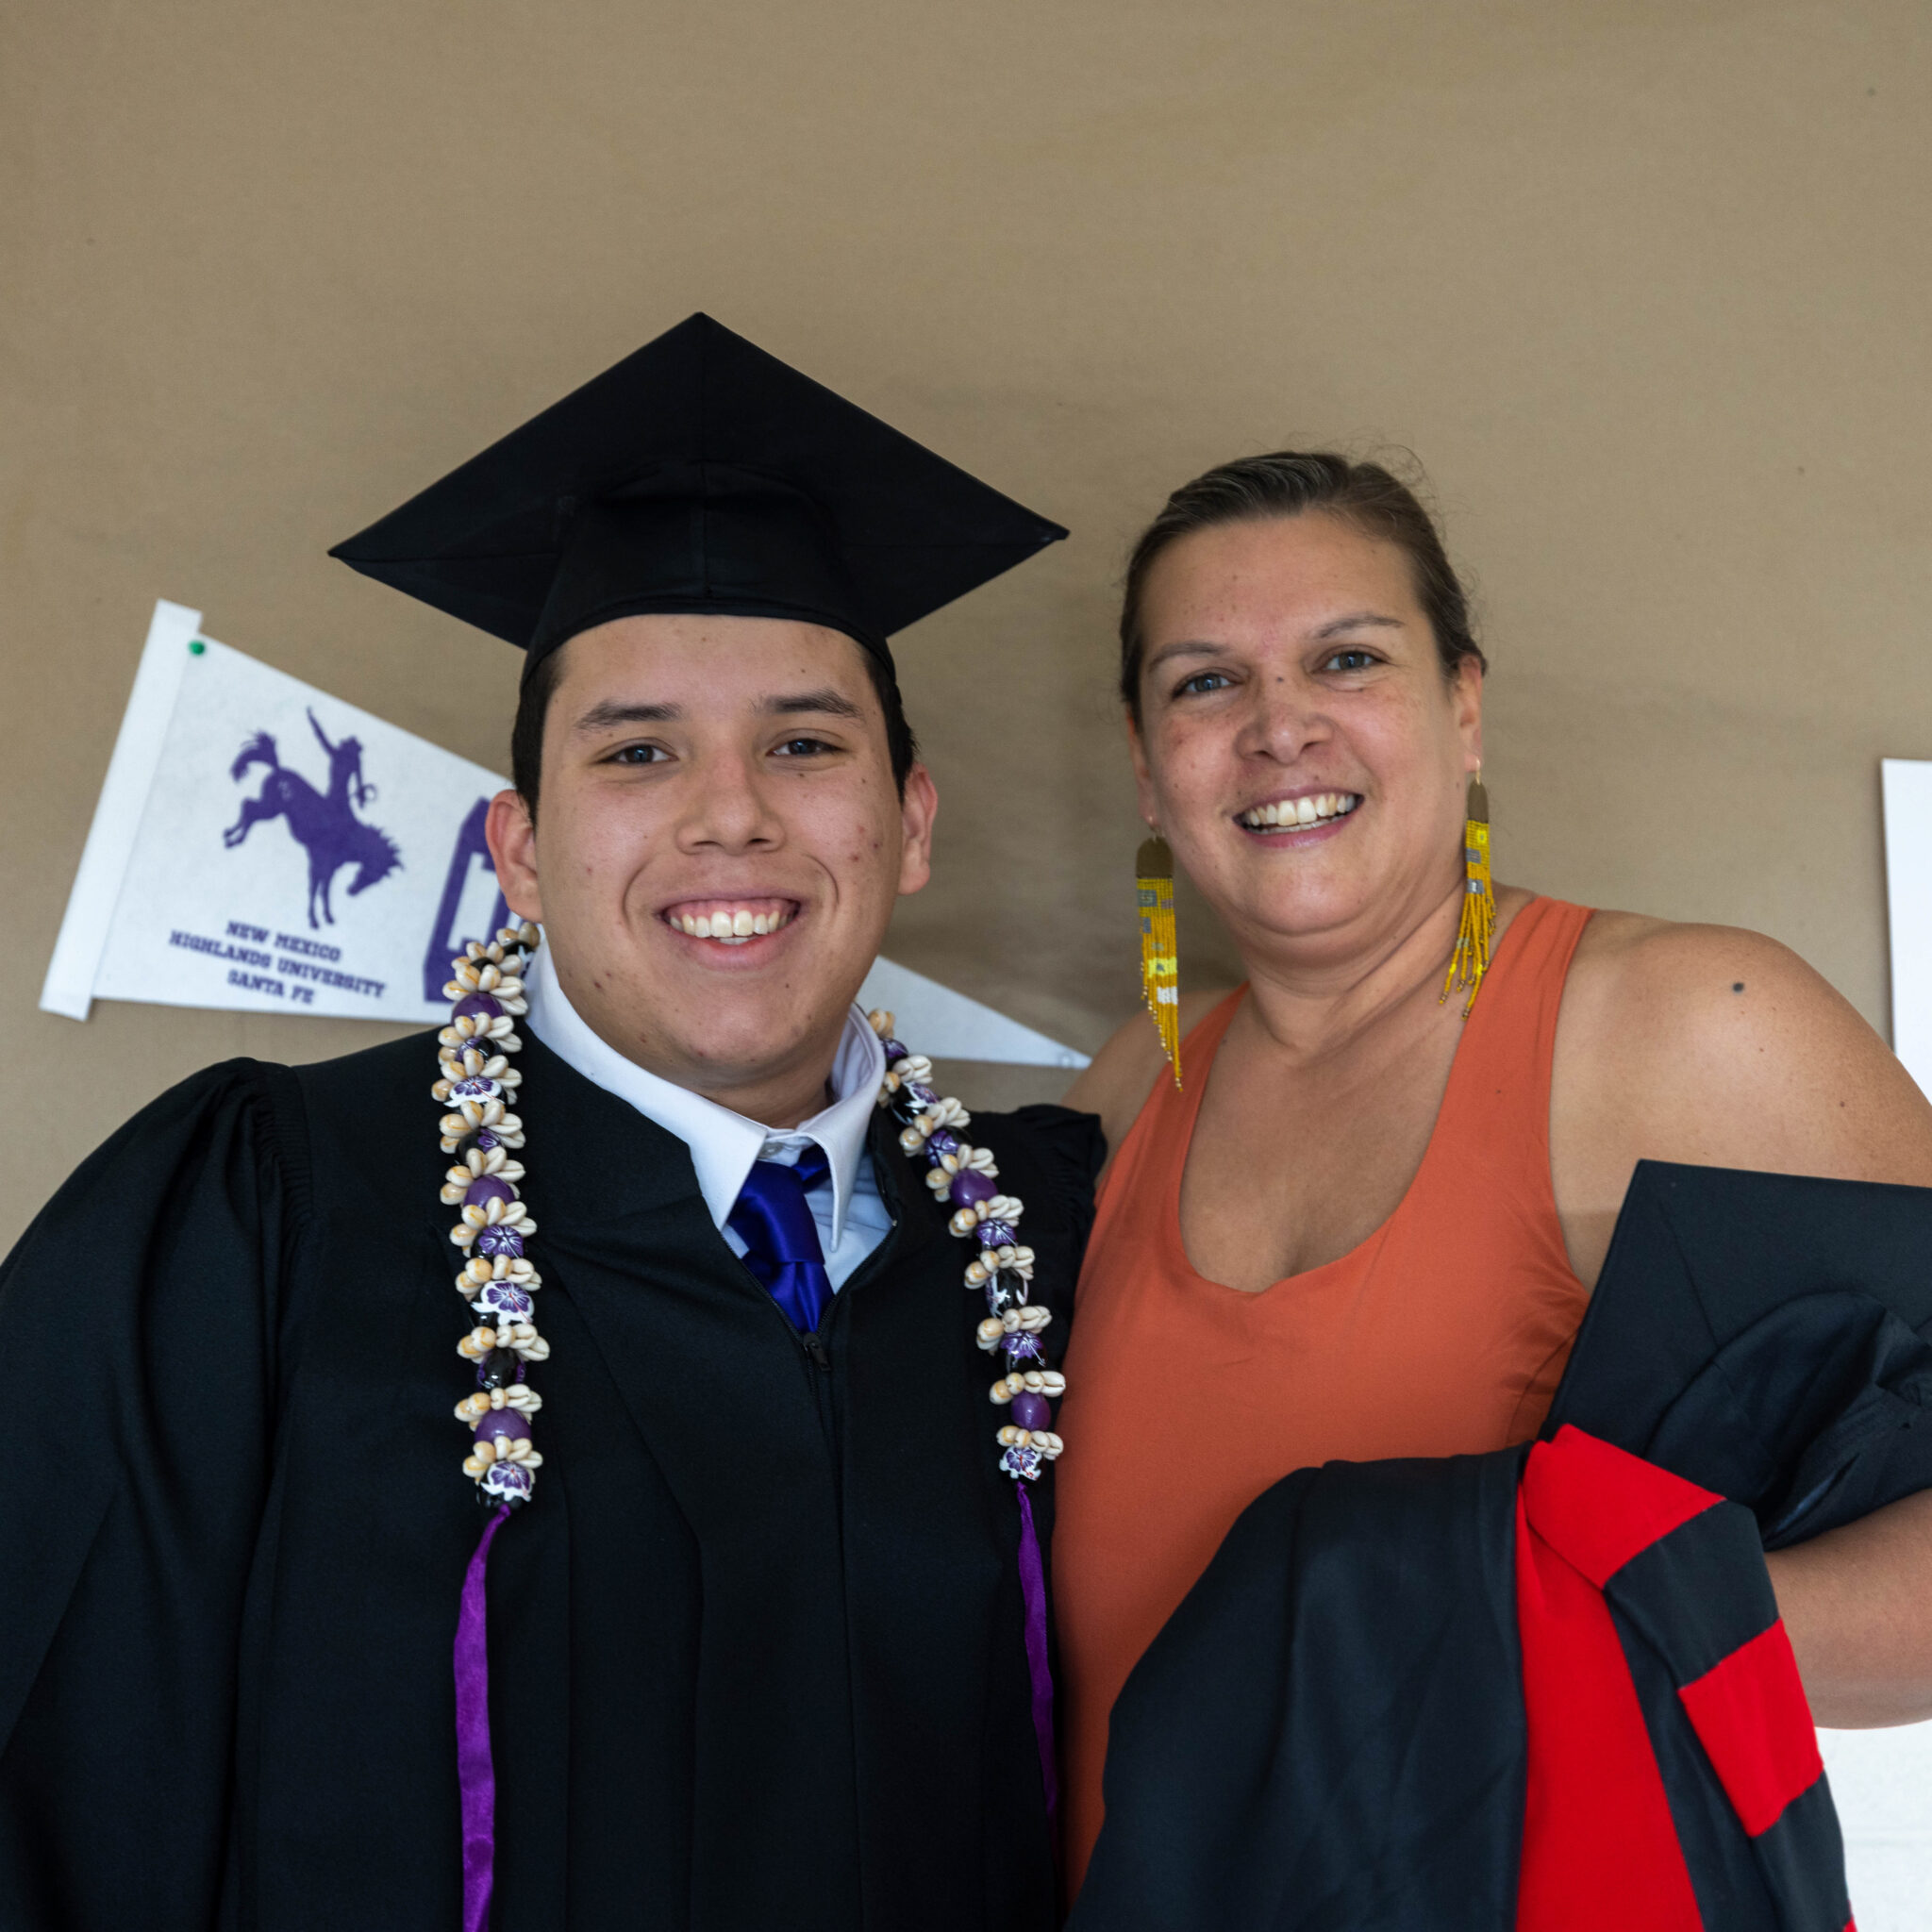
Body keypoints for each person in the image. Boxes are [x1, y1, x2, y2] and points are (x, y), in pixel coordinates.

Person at [0, 314, 1098, 1932]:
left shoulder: (1040, 1239)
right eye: (638, 753)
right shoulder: (264, 1219)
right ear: (518, 848)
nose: (731, 812)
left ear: (909, 823)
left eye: (806, 745)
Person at [1052, 451, 1932, 1904]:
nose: (1279, 727)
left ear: (1464, 710)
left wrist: (1642, 1618)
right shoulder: (1122, 1094)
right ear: (1148, 764)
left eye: (1347, 658)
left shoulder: (1683, 1025)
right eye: (1205, 683)